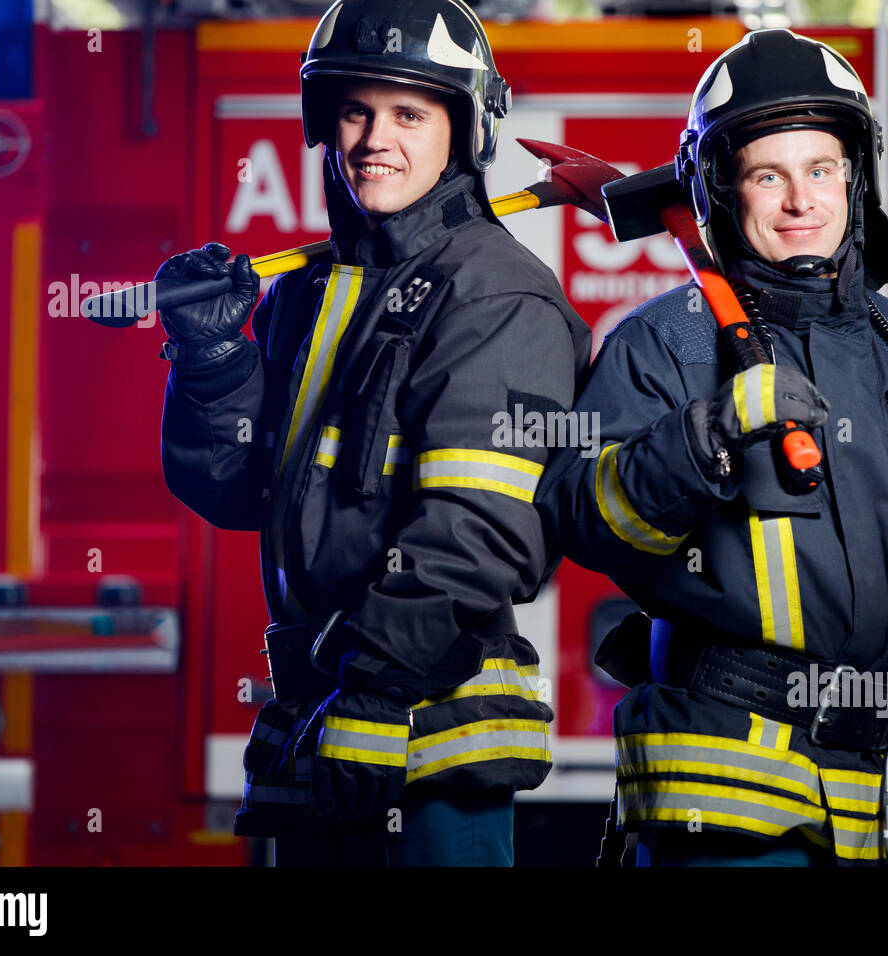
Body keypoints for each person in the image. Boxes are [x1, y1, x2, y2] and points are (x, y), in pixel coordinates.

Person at [537, 28, 888, 866]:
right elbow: (589, 520)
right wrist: (709, 438)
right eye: (768, 175)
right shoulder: (669, 346)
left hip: (869, 811)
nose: (801, 200)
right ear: (719, 194)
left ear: (856, 179)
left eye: (821, 170)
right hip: (720, 803)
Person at [155, 0, 591, 866]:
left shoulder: (496, 294)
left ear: (464, 131)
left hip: (426, 737)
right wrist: (210, 361)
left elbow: (479, 529)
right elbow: (240, 490)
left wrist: (381, 691)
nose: (373, 139)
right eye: (354, 110)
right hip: (317, 726)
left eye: (408, 114)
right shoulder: (311, 292)